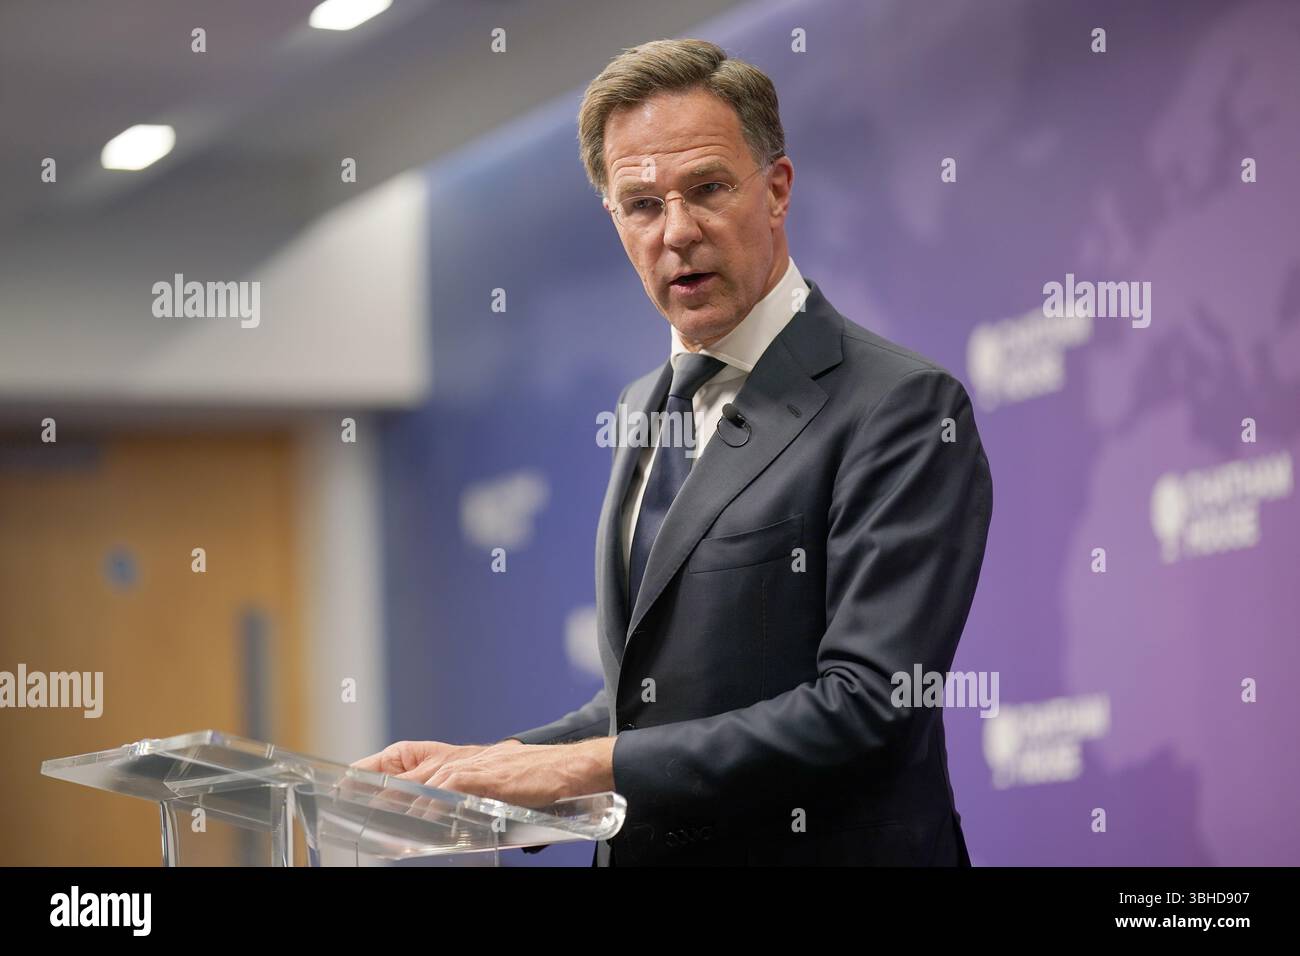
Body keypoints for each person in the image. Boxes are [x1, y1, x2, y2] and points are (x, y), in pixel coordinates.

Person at [356, 37, 992, 866]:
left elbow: (868, 705)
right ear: (615, 220)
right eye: (642, 204)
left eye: (708, 188)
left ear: (777, 189)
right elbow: (654, 705)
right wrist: (484, 770)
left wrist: (580, 767)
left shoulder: (899, 408)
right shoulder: (642, 407)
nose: (678, 231)